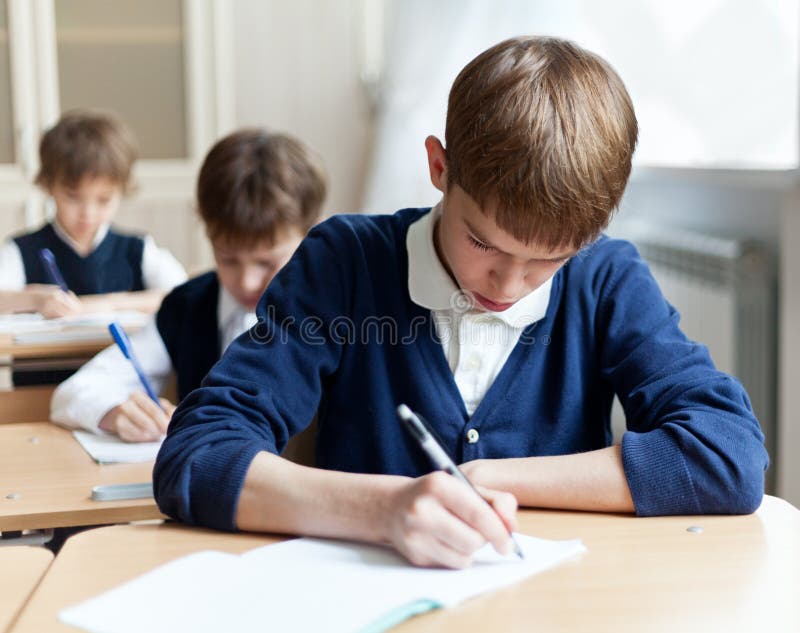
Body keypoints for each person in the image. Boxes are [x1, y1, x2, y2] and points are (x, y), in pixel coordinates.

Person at [154, 37, 768, 569]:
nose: (506, 285)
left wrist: (487, 479)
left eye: (548, 260)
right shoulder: (344, 263)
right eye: (483, 242)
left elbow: (728, 455)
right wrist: (385, 509)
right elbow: (197, 453)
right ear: (438, 167)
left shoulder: (604, 276)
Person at [51, 129, 327, 442]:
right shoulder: (189, 306)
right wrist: (115, 412)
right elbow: (72, 394)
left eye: (268, 263)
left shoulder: (336, 312)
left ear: (309, 235)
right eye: (228, 259)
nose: (248, 281)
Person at [0, 110, 186, 318]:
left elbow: (183, 294)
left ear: (121, 191)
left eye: (103, 200)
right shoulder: (22, 250)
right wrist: (36, 299)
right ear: (50, 186)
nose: (87, 213)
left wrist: (103, 303)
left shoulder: (137, 249)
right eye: (73, 197)